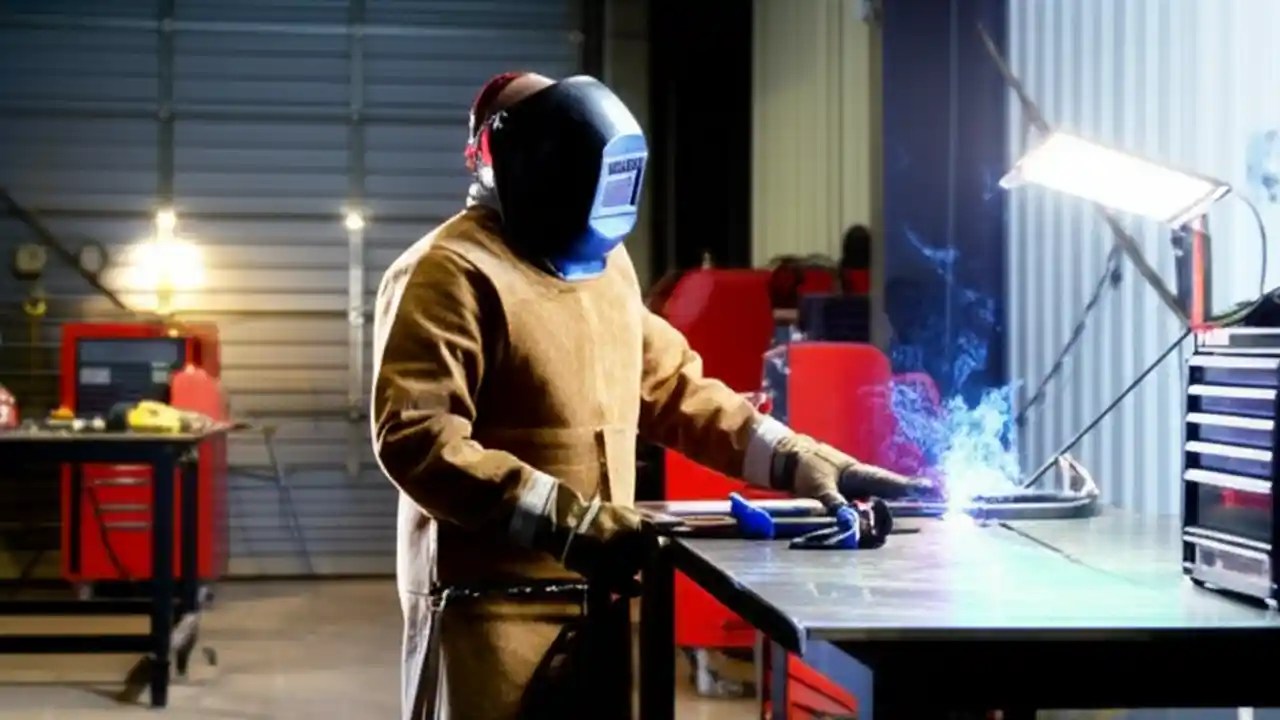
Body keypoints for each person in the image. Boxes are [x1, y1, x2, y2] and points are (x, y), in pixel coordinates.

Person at [370, 71, 931, 720]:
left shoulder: (607, 267)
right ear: (511, 161)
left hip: (603, 608)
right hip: (489, 617)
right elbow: (417, 440)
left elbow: (674, 388)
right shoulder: (449, 272)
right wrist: (569, 521)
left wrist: (794, 457)